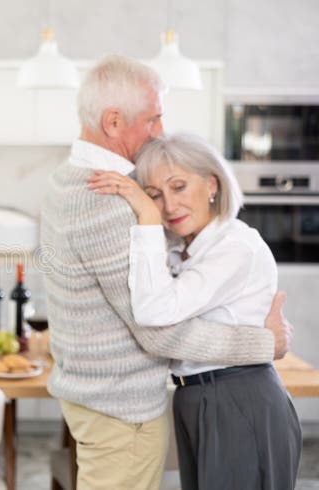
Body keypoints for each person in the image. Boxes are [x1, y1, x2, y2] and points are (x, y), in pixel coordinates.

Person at [39, 54, 293, 490]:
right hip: (123, 410)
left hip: (123, 401)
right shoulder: (105, 197)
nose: (160, 130)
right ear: (114, 121)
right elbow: (155, 328)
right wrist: (266, 341)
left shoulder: (69, 180)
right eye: (154, 119)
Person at [87, 132, 302, 490]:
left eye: (179, 186)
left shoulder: (235, 247)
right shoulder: (182, 252)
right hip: (197, 398)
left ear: (211, 184)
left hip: (238, 399)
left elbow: (155, 310)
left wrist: (146, 215)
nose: (168, 206)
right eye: (154, 194)